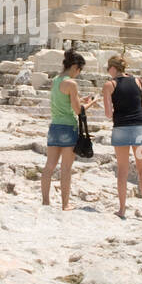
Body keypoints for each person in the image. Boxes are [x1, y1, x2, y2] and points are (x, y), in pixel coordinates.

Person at [40, 50, 97, 210]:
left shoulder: (56, 80)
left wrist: (79, 99)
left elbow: (64, 101)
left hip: (54, 127)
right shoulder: (72, 83)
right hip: (68, 127)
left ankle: (45, 202)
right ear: (74, 67)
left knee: (49, 166)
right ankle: (65, 204)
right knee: (66, 168)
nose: (78, 74)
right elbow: (78, 110)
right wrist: (92, 102)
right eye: (79, 70)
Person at [101, 55, 142, 220]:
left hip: (121, 130)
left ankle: (122, 209)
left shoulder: (109, 85)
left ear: (112, 68)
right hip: (139, 131)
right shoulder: (137, 81)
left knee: (122, 170)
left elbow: (109, 114)